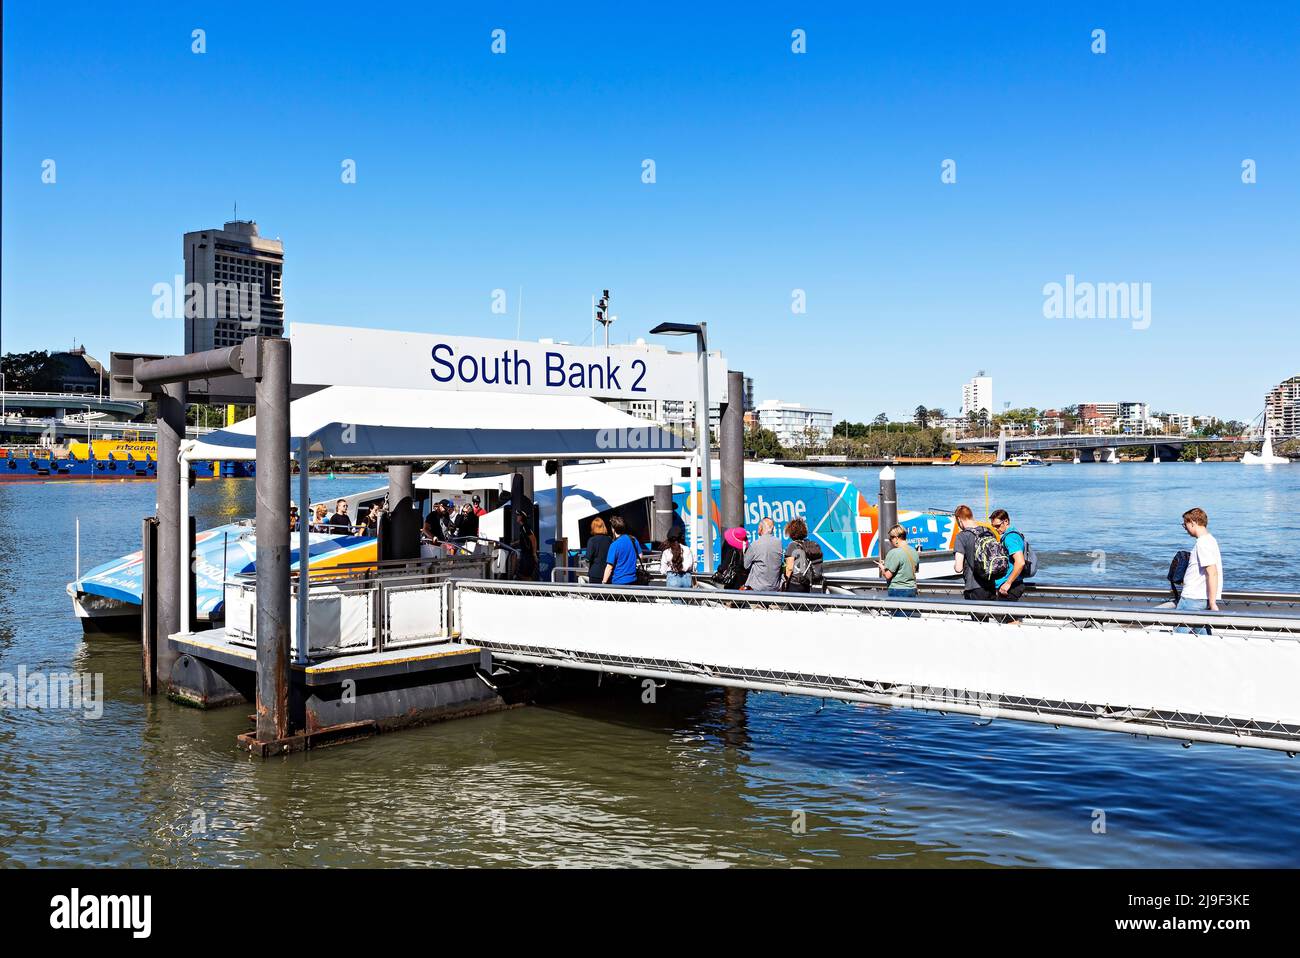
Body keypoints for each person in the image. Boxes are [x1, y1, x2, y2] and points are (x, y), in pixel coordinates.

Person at [1176, 507, 1222, 634]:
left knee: (1177, 637)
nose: (1185, 528)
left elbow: (1212, 572)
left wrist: (1212, 603)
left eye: (1185, 524)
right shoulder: (1210, 540)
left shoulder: (1203, 543)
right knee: (1203, 638)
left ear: (1193, 522)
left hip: (1192, 599)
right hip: (1200, 598)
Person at [952, 504, 996, 601]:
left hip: (974, 588)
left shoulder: (962, 536)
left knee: (978, 616)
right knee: (989, 615)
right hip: (991, 586)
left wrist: (955, 566)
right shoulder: (988, 532)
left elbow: (958, 568)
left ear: (959, 519)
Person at [988, 509, 1027, 602]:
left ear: (1006, 521)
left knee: (1006, 615)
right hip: (1013, 583)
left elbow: (1020, 562)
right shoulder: (1014, 534)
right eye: (993, 527)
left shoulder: (1010, 537)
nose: (996, 529)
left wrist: (1008, 583)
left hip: (1010, 586)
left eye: (997, 526)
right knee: (1008, 615)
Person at [781, 517, 824, 592]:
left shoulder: (792, 546)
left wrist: (785, 583)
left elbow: (789, 568)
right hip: (807, 582)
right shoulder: (809, 544)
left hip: (795, 583)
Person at [743, 517, 783, 592]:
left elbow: (746, 565)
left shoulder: (755, 544)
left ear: (760, 528)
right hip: (774, 587)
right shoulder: (779, 543)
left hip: (757, 588)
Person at [880, 524, 918, 599]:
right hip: (912, 589)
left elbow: (888, 575)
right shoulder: (914, 551)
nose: (890, 541)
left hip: (898, 590)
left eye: (891, 538)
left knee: (898, 610)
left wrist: (882, 567)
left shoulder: (894, 552)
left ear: (897, 538)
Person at [602, 514, 641, 585]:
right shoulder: (633, 539)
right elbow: (640, 556)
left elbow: (609, 567)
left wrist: (604, 582)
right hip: (633, 580)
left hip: (619, 582)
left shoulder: (614, 545)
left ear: (613, 529)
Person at [585, 516, 613, 584]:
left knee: (595, 594)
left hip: (595, 573)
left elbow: (588, 558)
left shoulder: (592, 540)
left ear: (593, 527)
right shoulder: (609, 540)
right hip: (608, 573)